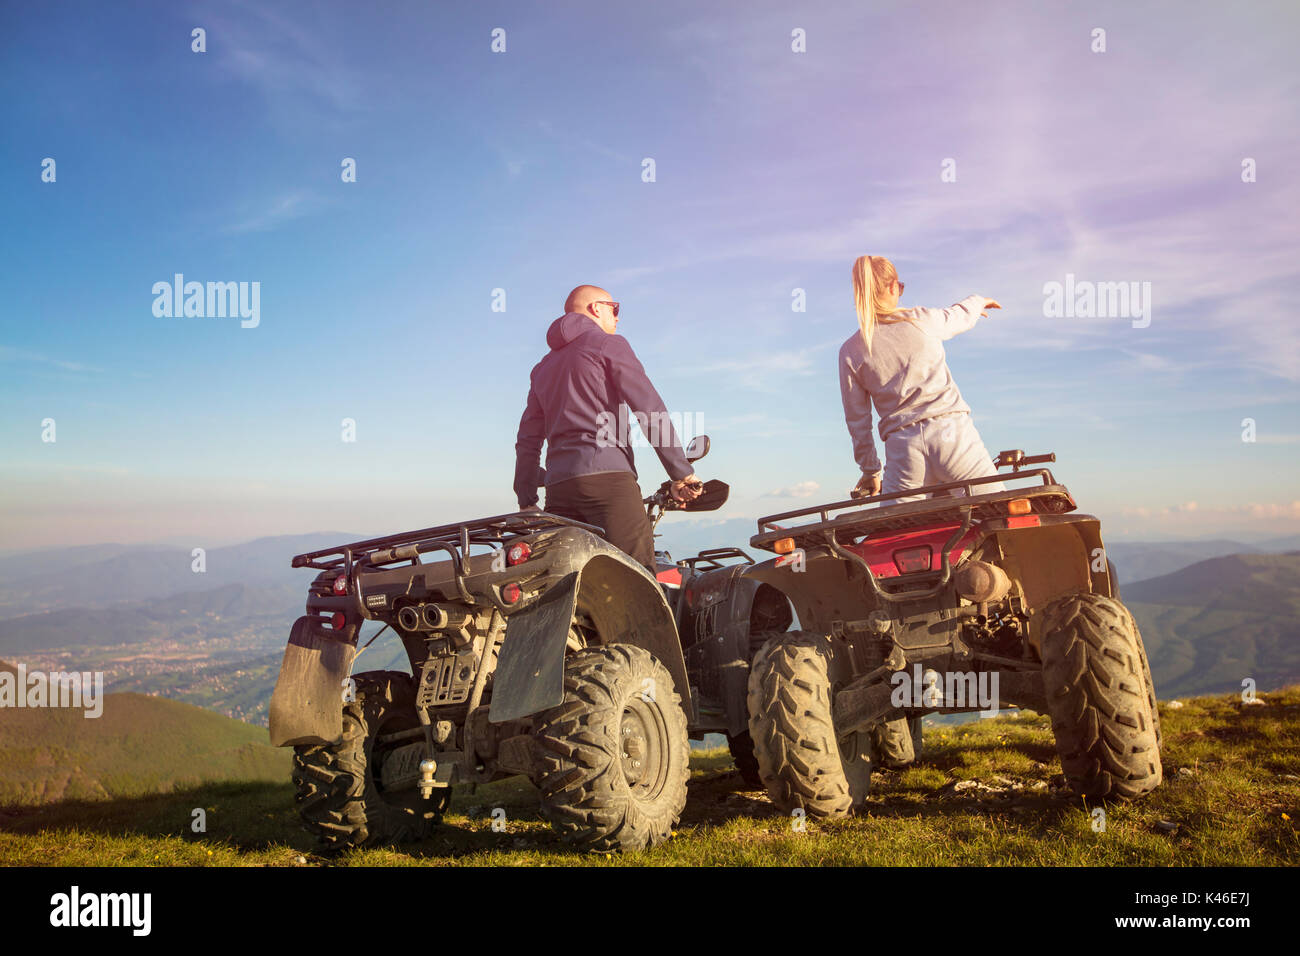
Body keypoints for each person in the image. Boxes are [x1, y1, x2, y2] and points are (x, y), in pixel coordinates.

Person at [513, 284, 702, 570]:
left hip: (559, 490)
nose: (617, 317)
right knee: (637, 581)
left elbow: (528, 440)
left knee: (570, 580)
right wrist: (680, 473)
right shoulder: (608, 344)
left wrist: (526, 498)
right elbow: (649, 409)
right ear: (595, 308)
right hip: (608, 483)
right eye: (615, 309)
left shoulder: (543, 367)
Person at [839, 255, 1004, 504]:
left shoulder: (851, 351)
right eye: (900, 288)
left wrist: (870, 470)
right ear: (894, 287)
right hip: (953, 437)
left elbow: (858, 422)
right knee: (1002, 515)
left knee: (895, 537)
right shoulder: (921, 320)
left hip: (904, 453)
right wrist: (979, 301)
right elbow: (958, 315)